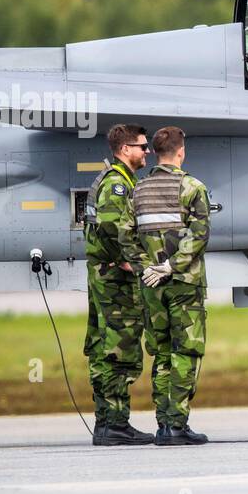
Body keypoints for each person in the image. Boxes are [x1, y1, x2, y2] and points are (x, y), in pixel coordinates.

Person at [130, 125, 211, 446]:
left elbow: (126, 235)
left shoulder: (139, 190)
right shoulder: (192, 188)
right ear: (181, 152)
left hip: (152, 285)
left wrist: (146, 267)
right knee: (186, 351)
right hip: (183, 284)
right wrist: (172, 265)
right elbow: (199, 235)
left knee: (161, 351)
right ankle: (177, 423)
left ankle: (163, 423)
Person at [82, 123, 155, 446]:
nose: (147, 152)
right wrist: (128, 260)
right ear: (125, 150)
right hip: (115, 280)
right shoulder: (117, 185)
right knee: (119, 350)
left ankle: (109, 422)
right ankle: (113, 423)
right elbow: (114, 229)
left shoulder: (117, 180)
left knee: (104, 348)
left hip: (104, 276)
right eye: (142, 146)